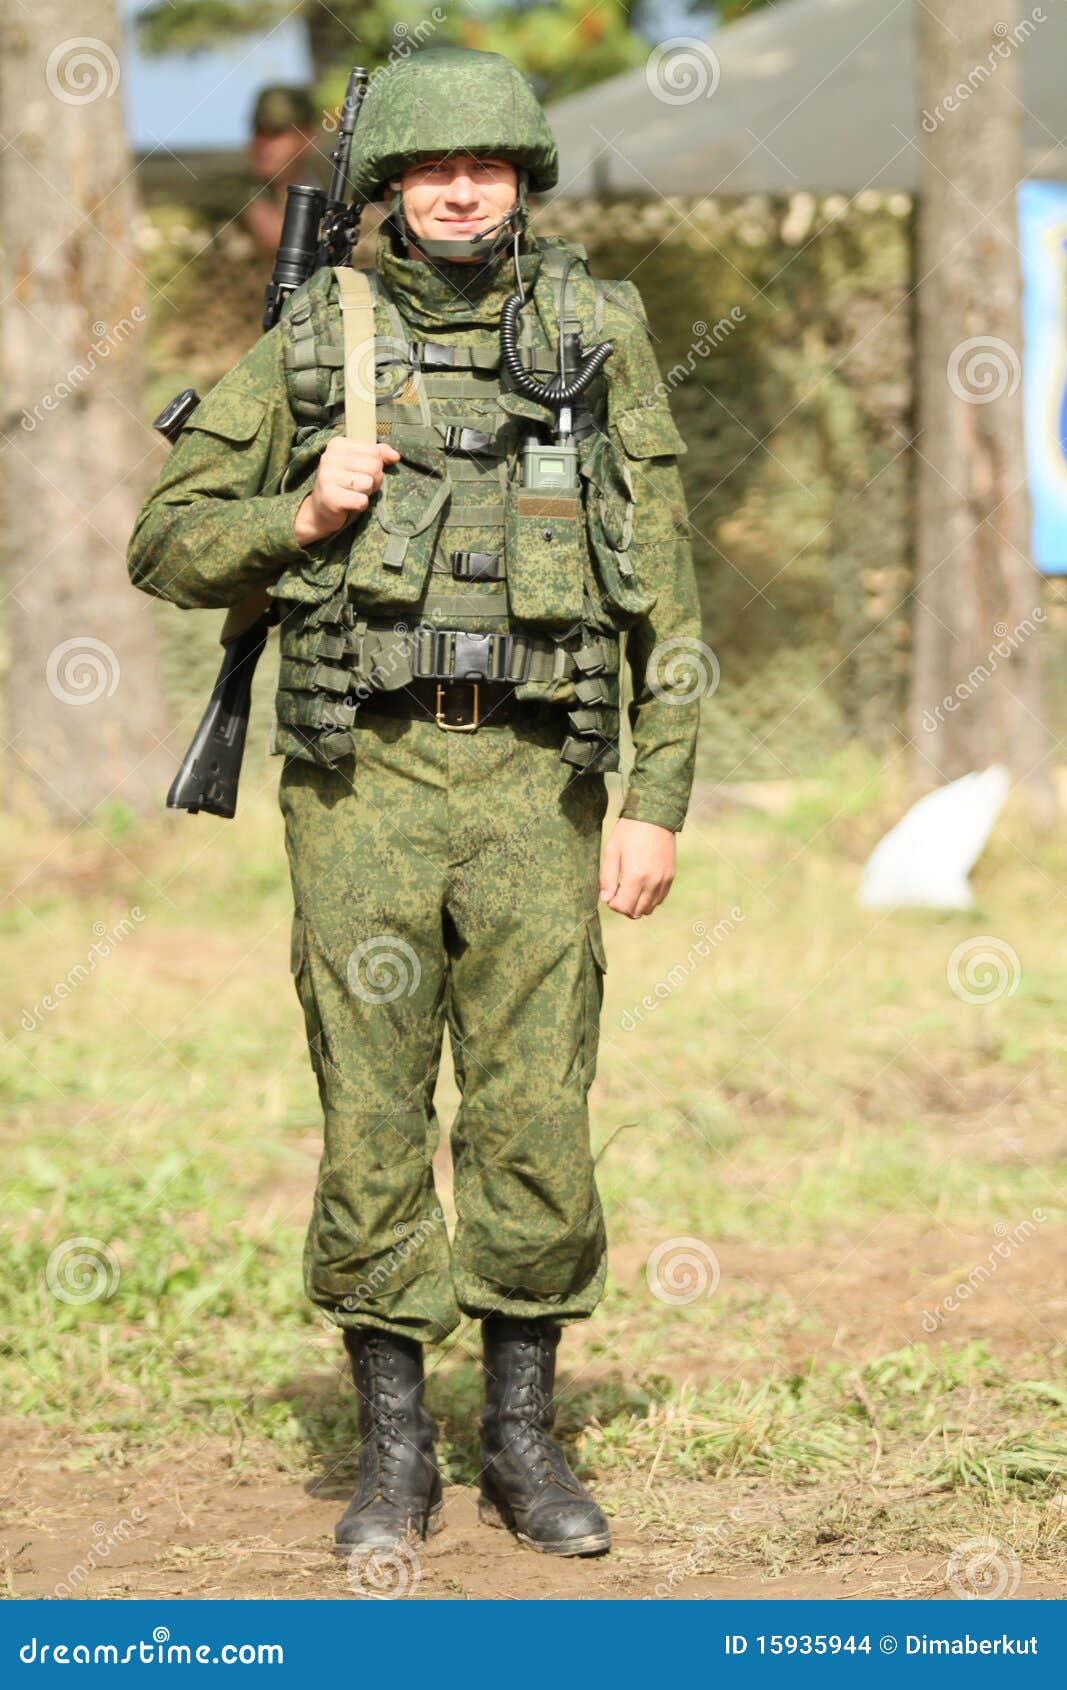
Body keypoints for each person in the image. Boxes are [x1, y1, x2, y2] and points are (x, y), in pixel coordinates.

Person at [127, 46, 701, 1561]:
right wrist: (299, 509)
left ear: (522, 182)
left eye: (488, 168)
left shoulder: (589, 329)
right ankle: (394, 1451)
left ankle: (520, 1437)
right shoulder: (318, 341)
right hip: (358, 778)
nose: (458, 191)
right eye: (429, 171)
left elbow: (664, 584)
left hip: (536, 780)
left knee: (532, 1111)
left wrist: (658, 798)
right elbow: (166, 544)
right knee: (372, 1114)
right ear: (384, 193)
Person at [243, 85, 321, 258]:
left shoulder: (339, 201)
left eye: (276, 133)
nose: (263, 144)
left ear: (307, 137)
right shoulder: (239, 200)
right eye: (259, 131)